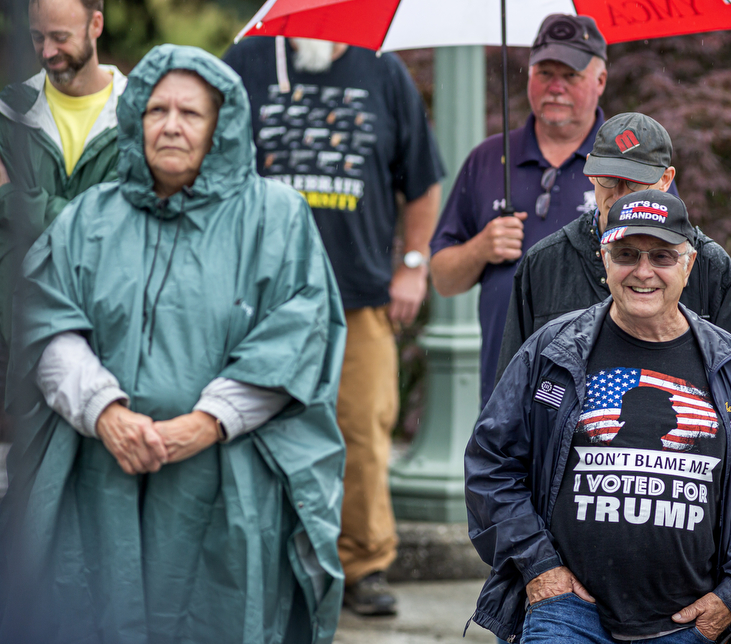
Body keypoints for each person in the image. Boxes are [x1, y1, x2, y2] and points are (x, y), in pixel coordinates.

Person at [0, 45, 346, 643]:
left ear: (222, 124)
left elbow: (300, 331)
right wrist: (104, 412)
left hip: (224, 482)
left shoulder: (275, 218)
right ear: (136, 119)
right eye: (156, 109)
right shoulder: (89, 217)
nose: (171, 125)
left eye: (191, 112)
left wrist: (208, 422)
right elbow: (46, 318)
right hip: (100, 476)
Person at [465, 189, 731, 643]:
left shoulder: (728, 363)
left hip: (689, 624)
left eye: (662, 256)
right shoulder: (552, 349)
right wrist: (539, 568)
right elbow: (490, 464)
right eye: (626, 254)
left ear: (689, 264)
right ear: (604, 260)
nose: (643, 271)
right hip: (566, 615)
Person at [223, 35, 445, 615]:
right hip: (259, 297)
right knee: (252, 428)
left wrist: (414, 266)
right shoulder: (246, 62)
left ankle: (363, 565)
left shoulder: (383, 71)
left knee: (365, 433)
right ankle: (263, 561)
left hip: (360, 296)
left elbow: (421, 183)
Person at [496, 112, 731, 429]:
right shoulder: (544, 264)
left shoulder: (710, 266)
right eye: (609, 180)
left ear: (666, 179)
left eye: (634, 182)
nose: (619, 195)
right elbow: (507, 418)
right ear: (590, 172)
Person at [430, 13, 610, 409]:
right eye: (544, 72)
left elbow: (671, 267)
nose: (555, 87)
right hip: (505, 389)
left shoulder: (625, 162)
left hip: (603, 391)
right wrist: (480, 248)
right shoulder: (488, 158)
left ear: (600, 81)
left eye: (571, 75)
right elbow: (442, 277)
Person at [0, 0, 126, 440]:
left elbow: (112, 231)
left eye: (60, 38)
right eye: (38, 37)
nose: (48, 51)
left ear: (96, 24)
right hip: (15, 364)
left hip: (110, 352)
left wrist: (13, 197)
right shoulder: (6, 114)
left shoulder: (138, 117)